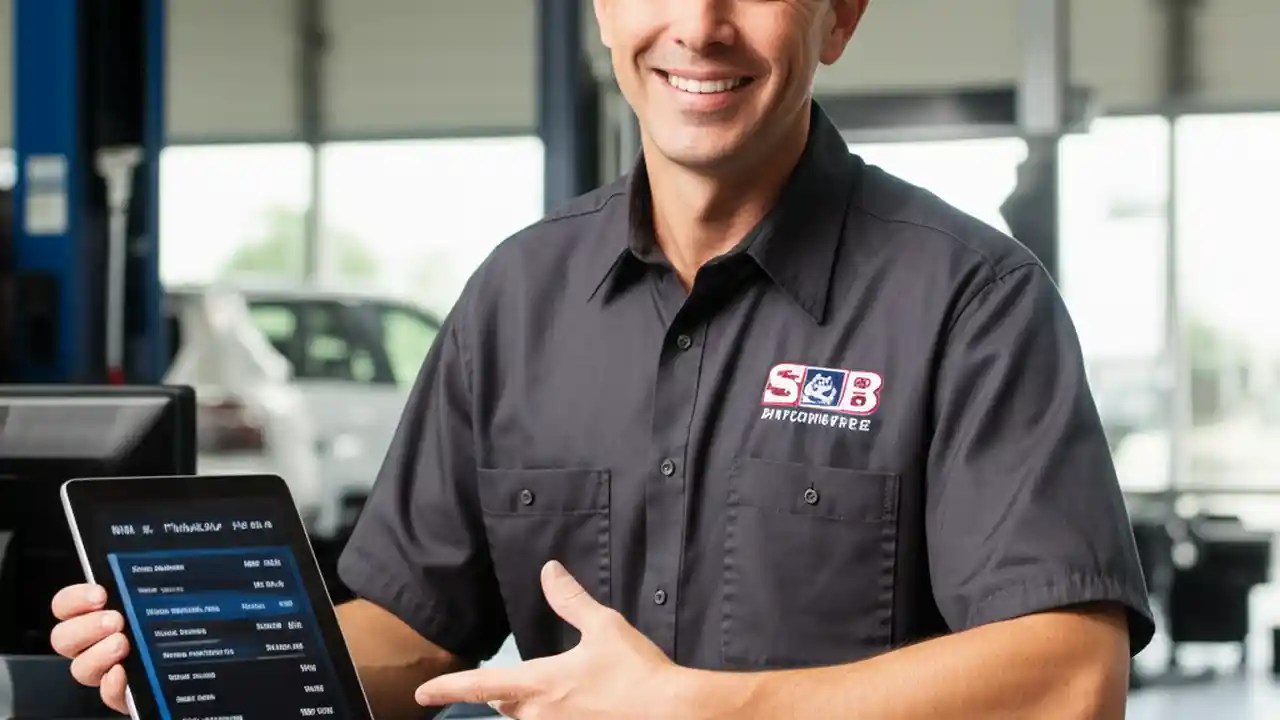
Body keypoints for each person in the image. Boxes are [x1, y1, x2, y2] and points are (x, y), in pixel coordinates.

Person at [50, 1, 1154, 717]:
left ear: (840, 15)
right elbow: (414, 632)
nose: (700, 28)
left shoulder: (969, 299)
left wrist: (702, 707)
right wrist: (217, 656)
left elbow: (1070, 674)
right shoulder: (516, 298)